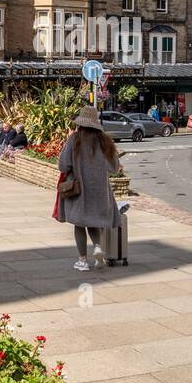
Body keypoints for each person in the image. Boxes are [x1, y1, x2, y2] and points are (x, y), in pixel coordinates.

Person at [55, 106, 122, 272]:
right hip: (100, 190)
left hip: (78, 188)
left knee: (79, 223)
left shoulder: (74, 139)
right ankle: (98, 247)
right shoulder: (105, 141)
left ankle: (83, 261)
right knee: (93, 222)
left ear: (80, 123)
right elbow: (114, 168)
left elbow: (63, 165)